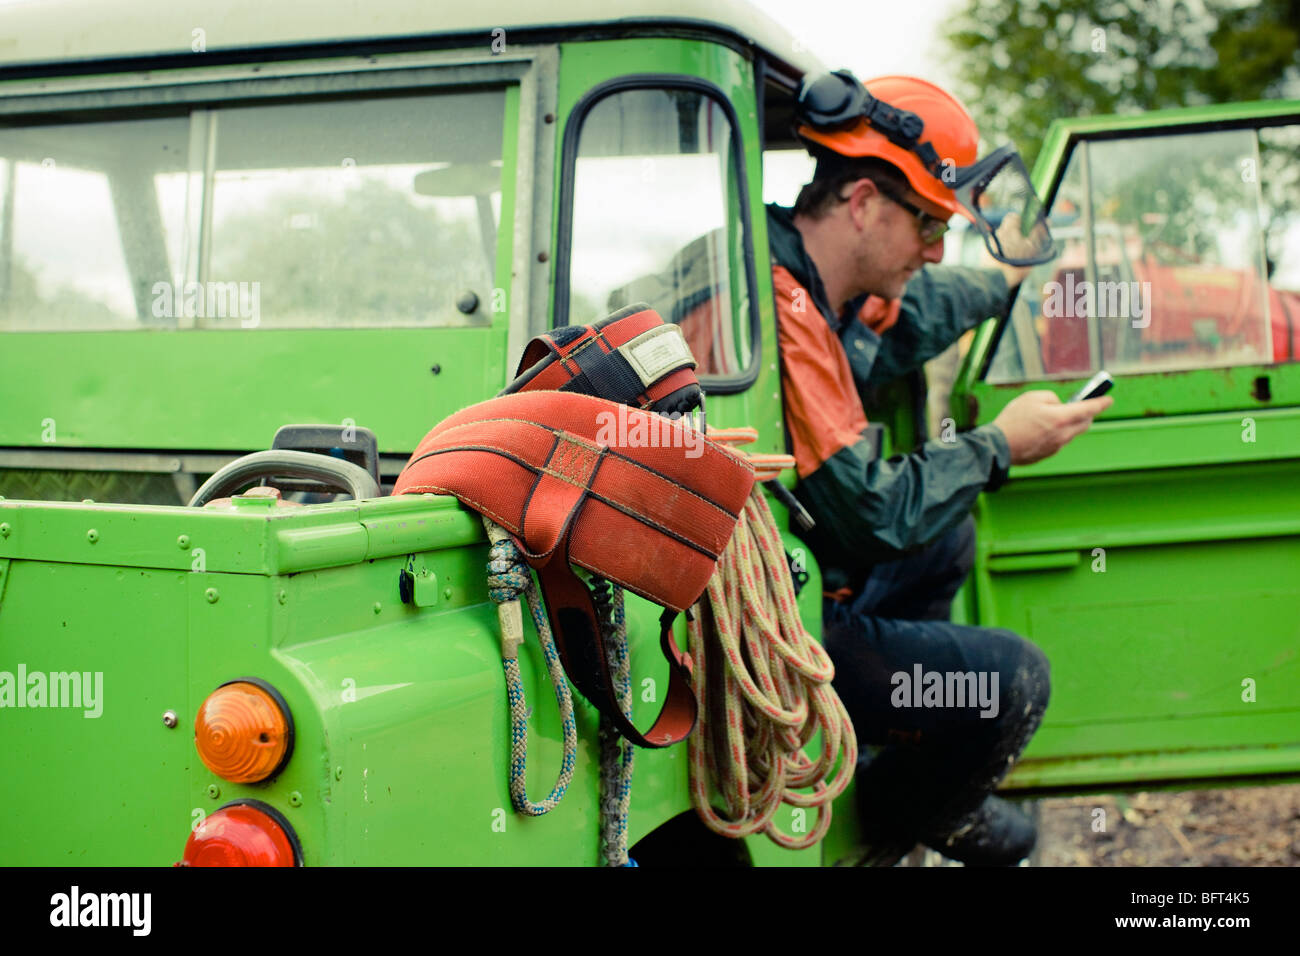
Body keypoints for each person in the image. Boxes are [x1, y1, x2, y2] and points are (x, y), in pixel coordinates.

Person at [770, 72, 1114, 865]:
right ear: (863, 203)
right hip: (768, 630)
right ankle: (902, 820)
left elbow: (914, 311)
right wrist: (998, 444)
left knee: (947, 541)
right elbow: (875, 514)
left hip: (795, 579)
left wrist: (1005, 284)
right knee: (1013, 682)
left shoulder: (820, 282)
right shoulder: (786, 311)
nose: (934, 250)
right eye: (929, 224)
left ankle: (886, 764)